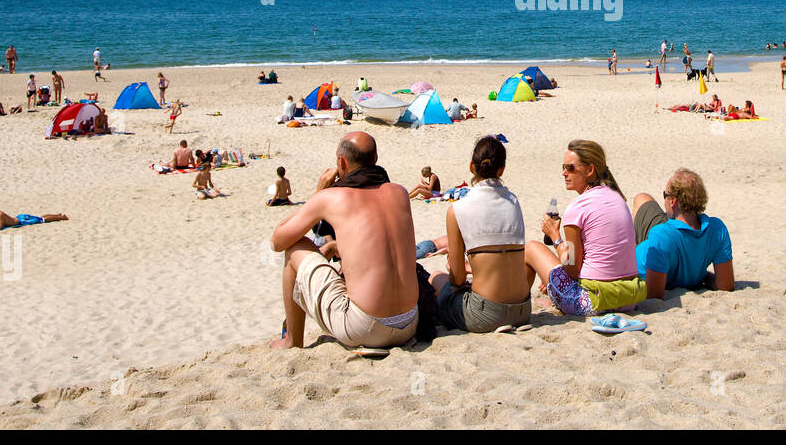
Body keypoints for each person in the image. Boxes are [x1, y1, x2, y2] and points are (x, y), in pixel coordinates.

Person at [268, 132, 419, 350]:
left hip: (364, 327)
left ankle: (292, 339)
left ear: (341, 162)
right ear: (375, 159)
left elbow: (277, 241)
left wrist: (317, 193)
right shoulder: (400, 193)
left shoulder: (331, 198)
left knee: (294, 246)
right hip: (409, 323)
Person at [524, 139, 646, 317]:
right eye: (563, 167)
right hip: (628, 298)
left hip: (594, 301)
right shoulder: (618, 199)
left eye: (570, 168)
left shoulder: (577, 208)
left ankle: (518, 308)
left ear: (590, 170)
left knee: (531, 248)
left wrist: (555, 237)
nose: (564, 173)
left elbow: (572, 268)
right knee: (556, 272)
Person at [429, 135, 531, 332]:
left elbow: (457, 279)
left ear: (471, 167)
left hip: (487, 314)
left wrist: (455, 269)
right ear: (502, 169)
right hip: (523, 309)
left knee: (437, 278)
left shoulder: (458, 209)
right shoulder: (513, 202)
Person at [631, 169, 733, 298]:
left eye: (665, 195)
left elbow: (654, 295)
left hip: (636, 268)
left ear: (672, 201)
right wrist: (702, 276)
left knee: (641, 199)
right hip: (669, 253)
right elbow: (726, 285)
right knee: (643, 199)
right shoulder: (717, 229)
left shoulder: (660, 234)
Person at [0, 207, 68, 229]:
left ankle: (61, 217)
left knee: (41, 220)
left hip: (22, 220)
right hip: (20, 217)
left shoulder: (0, 215)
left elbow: (0, 227)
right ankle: (57, 215)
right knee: (40, 217)